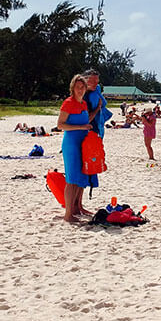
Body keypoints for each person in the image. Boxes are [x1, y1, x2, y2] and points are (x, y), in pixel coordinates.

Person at [58, 76, 96, 223]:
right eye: (78, 87)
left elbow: (86, 122)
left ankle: (76, 208)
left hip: (83, 144)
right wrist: (81, 127)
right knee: (71, 179)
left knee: (80, 178)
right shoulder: (68, 103)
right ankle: (68, 214)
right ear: (72, 88)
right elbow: (60, 125)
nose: (80, 90)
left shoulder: (84, 104)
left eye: (82, 87)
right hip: (71, 143)